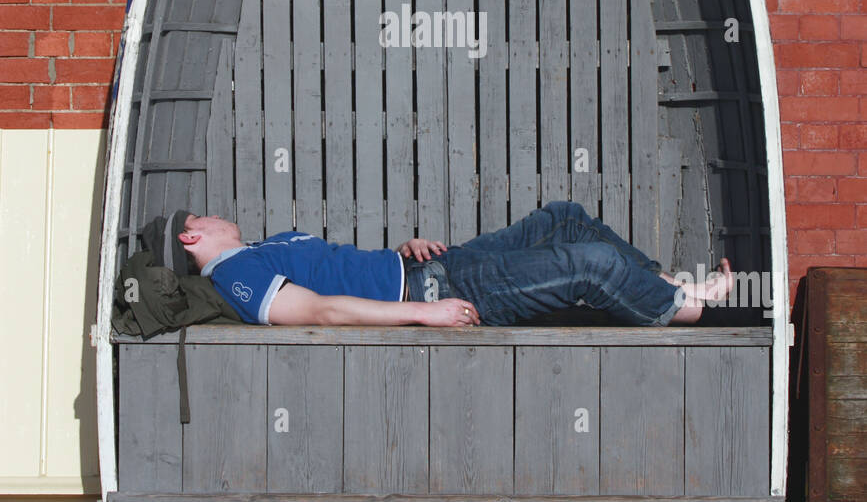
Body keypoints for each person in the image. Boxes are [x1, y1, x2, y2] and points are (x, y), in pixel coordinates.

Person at [176, 202, 734, 330]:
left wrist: (401, 250)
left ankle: (664, 285)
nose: (223, 214)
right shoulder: (233, 274)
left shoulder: (257, 252)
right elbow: (320, 311)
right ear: (191, 235)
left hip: (436, 266)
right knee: (586, 263)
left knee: (565, 219)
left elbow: (336, 272)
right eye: (209, 216)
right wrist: (423, 313)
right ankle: (687, 309)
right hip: (438, 290)